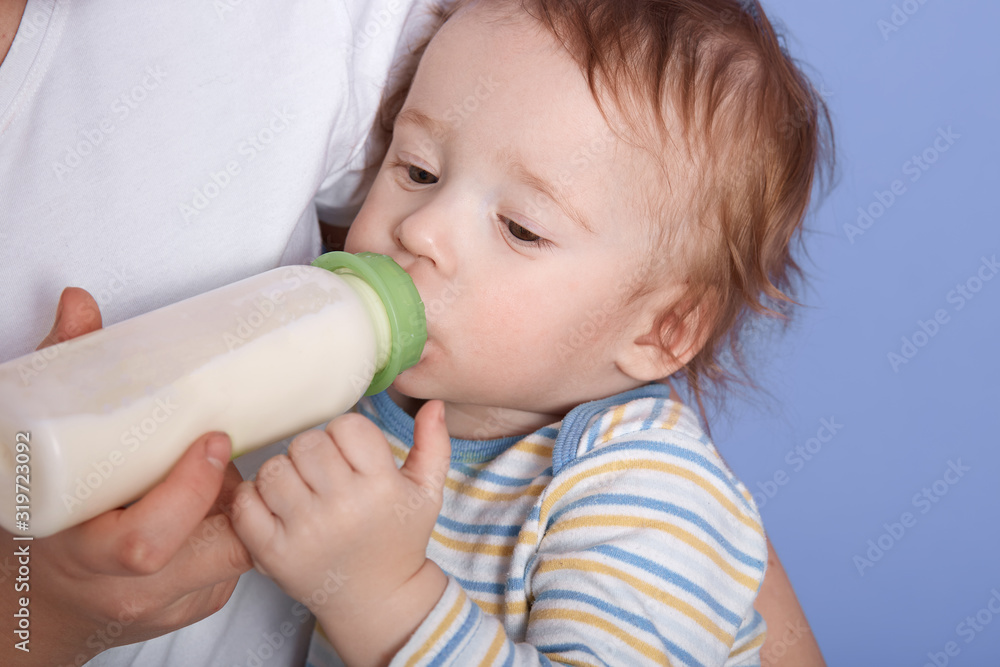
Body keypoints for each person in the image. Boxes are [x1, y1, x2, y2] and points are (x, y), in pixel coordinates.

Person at [0, 0, 825, 665]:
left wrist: (383, 597)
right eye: (418, 170)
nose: (421, 229)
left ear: (664, 328)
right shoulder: (345, 394)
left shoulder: (649, 495)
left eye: (522, 228)